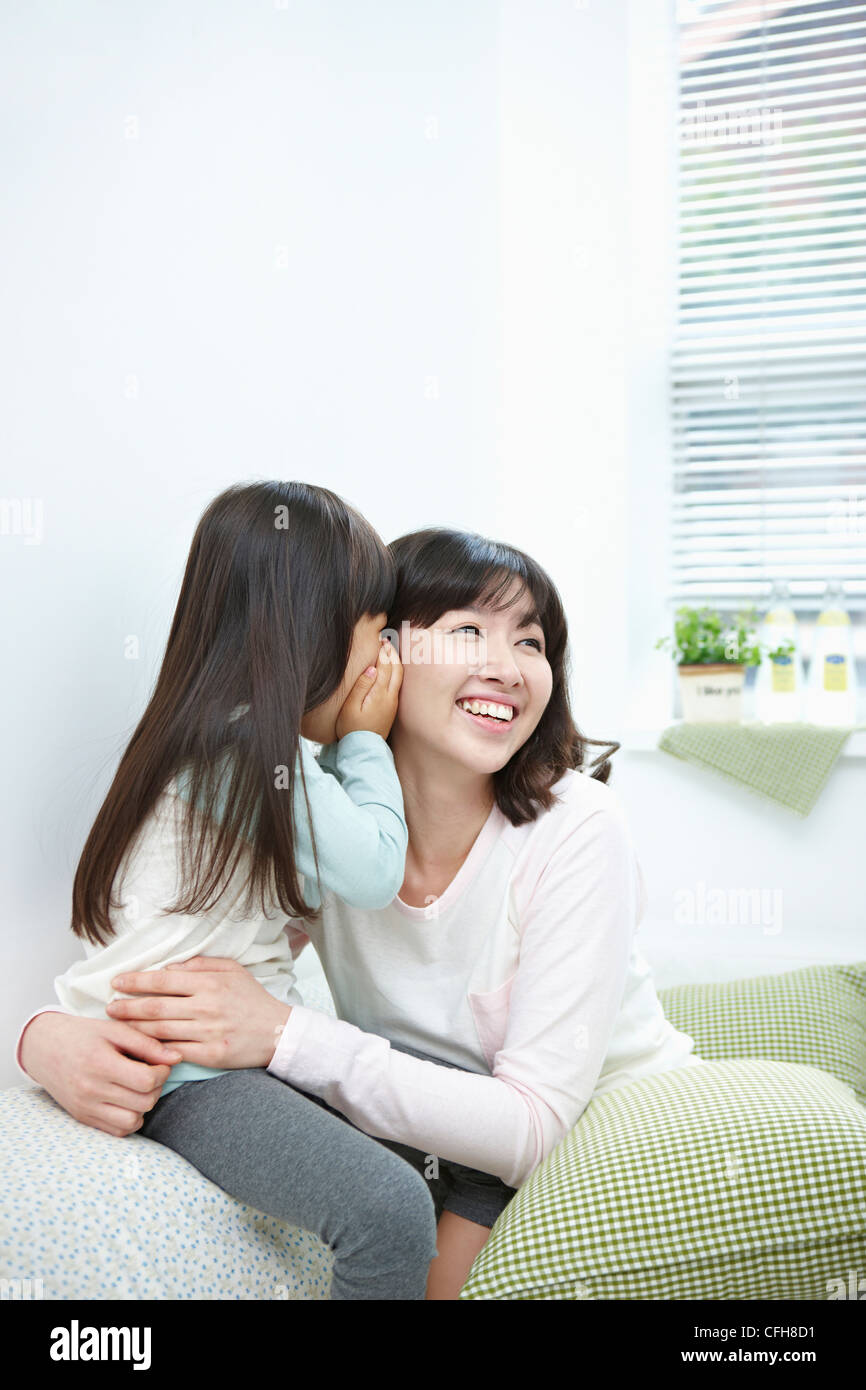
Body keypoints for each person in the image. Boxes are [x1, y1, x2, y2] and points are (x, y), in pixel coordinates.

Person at [17, 524, 705, 1301]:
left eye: (532, 642)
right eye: (468, 630)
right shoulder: (322, 812)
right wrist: (43, 1037)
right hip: (475, 1124)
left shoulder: (578, 824)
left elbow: (526, 1126)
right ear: (381, 653)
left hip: (594, 1124)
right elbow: (165, 939)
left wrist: (282, 1032)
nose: (508, 667)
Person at [15, 478, 441, 1301]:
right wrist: (364, 739)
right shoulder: (246, 748)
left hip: (199, 1058)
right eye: (374, 632)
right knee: (391, 1209)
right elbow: (375, 867)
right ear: (309, 631)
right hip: (185, 1075)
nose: (384, 662)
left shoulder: (211, 741)